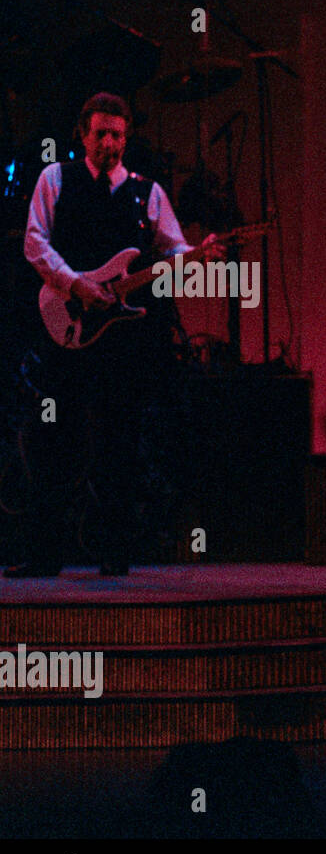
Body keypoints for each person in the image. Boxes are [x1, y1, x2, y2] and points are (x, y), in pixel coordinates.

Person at [7, 91, 221, 578]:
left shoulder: (148, 193)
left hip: (124, 341)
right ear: (83, 134)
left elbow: (173, 252)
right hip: (64, 328)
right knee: (52, 441)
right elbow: (34, 242)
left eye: (117, 135)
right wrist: (76, 283)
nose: (109, 143)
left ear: (127, 138)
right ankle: (44, 553)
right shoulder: (54, 178)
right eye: (101, 133)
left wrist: (198, 256)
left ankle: (115, 551)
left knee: (119, 443)